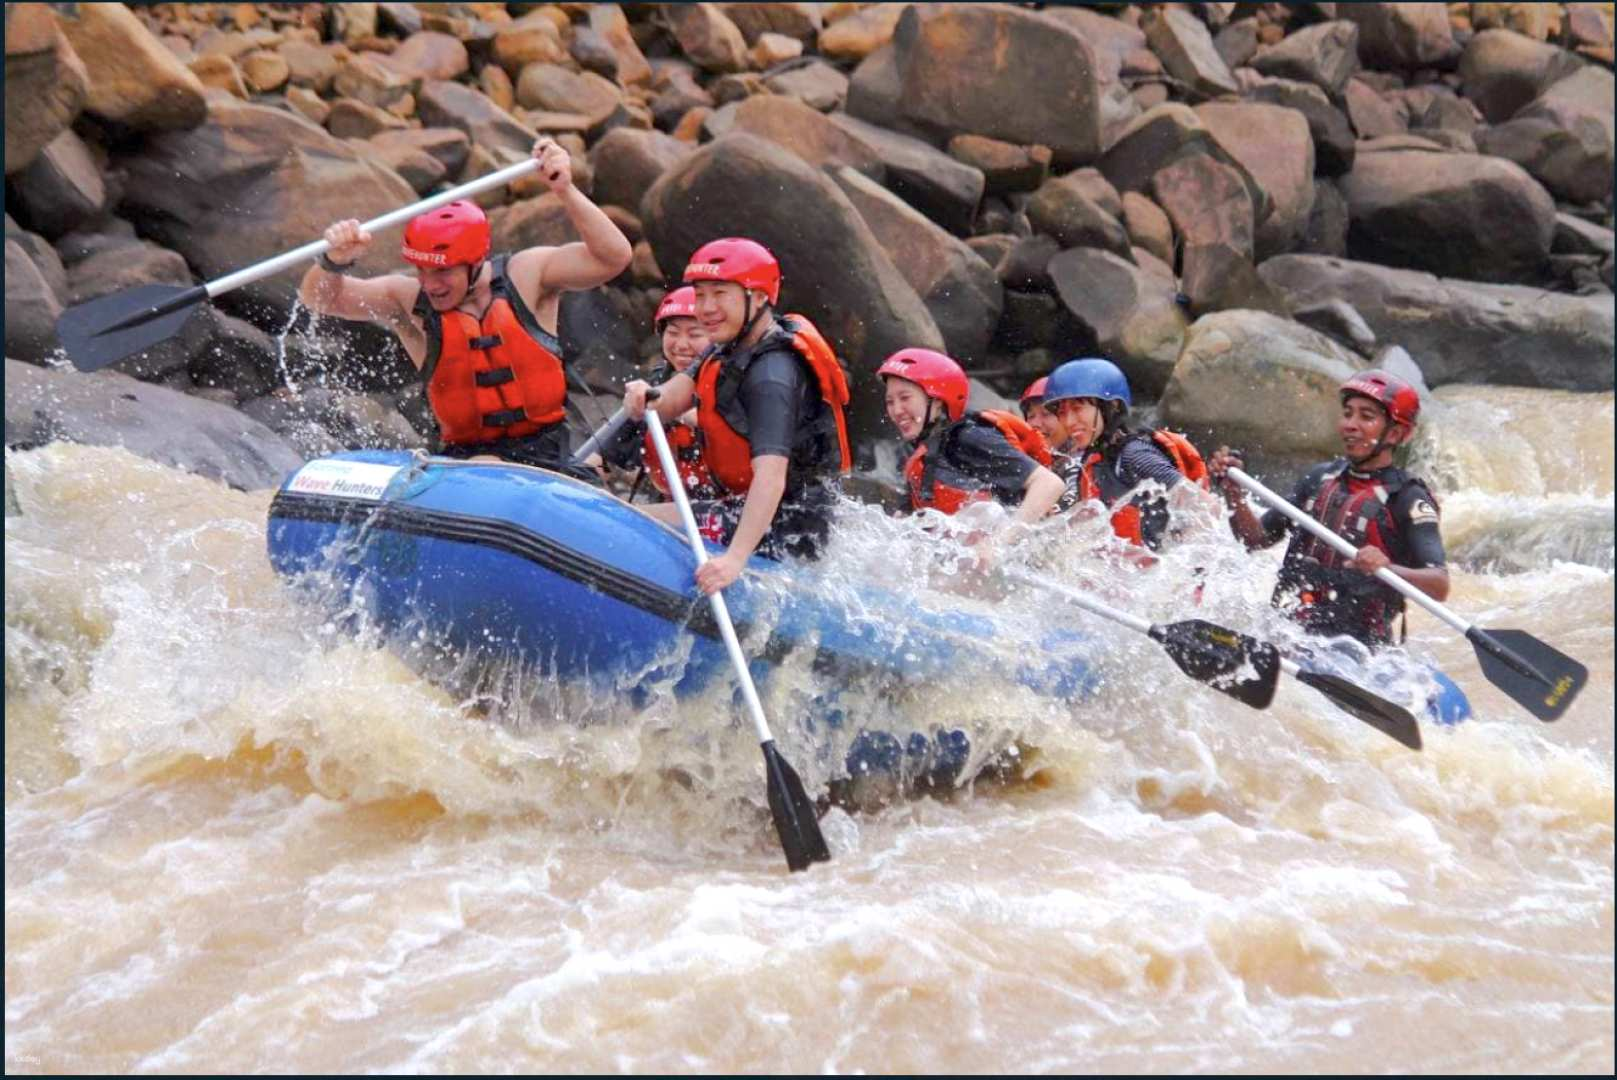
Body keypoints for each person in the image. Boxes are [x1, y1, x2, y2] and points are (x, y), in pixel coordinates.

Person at [297, 137, 633, 470]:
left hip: (547, 456)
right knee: (486, 463)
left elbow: (613, 258)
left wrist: (565, 191)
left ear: (474, 264)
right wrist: (333, 261)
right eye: (422, 270)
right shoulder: (408, 300)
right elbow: (321, 299)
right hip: (463, 462)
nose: (429, 284)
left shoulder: (529, 275)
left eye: (442, 272)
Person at [621, 237, 852, 595]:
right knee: (630, 517)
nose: (706, 307)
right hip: (747, 508)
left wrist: (733, 560)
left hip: (791, 527)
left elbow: (771, 478)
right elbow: (671, 398)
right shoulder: (726, 348)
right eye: (700, 294)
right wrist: (647, 396)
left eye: (720, 294)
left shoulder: (772, 374)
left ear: (758, 298)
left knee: (637, 523)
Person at [1206, 369, 1449, 649]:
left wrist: (1388, 568)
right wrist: (1233, 493)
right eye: (1348, 414)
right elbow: (1255, 539)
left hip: (1359, 649)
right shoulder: (1320, 479)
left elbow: (1439, 584)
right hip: (1289, 630)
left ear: (1395, 433)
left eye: (1366, 417)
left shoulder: (1408, 498)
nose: (1351, 425)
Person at [880, 348, 1065, 525]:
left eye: (905, 398)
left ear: (936, 402)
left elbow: (1049, 483)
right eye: (890, 401)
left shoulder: (968, 438)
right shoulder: (924, 458)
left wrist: (998, 542)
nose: (896, 410)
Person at [1041, 357, 1209, 549]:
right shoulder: (1096, 461)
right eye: (1062, 413)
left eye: (1077, 409)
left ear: (1111, 406)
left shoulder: (1134, 455)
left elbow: (1205, 506)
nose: (1069, 421)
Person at [595, 285, 715, 499]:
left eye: (695, 334)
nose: (681, 344)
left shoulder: (735, 380)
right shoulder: (657, 383)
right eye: (673, 332)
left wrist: (679, 412)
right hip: (674, 504)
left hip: (731, 508)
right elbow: (604, 457)